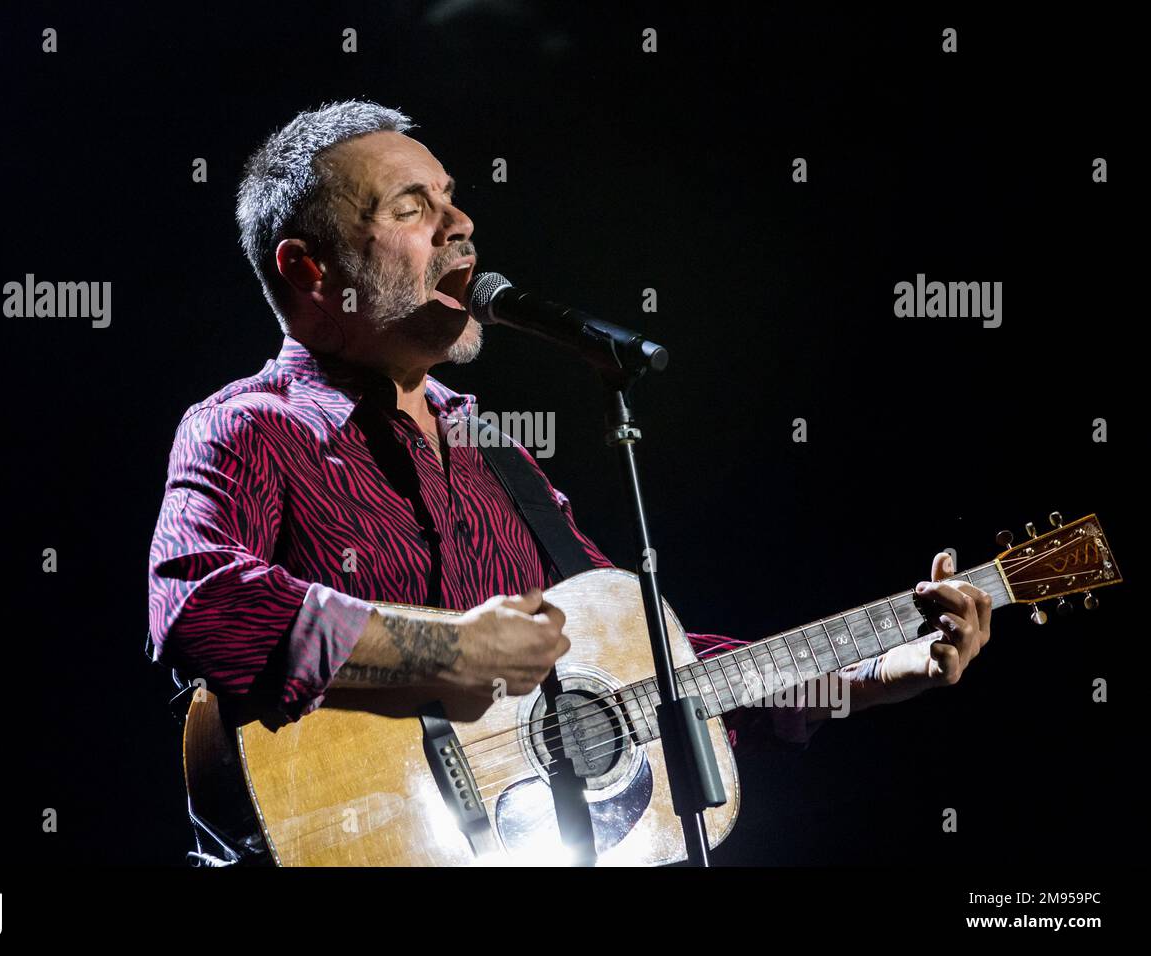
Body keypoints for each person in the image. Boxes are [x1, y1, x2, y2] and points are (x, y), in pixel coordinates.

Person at [146, 100, 993, 863]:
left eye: (451, 196)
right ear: (308, 270)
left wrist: (870, 675)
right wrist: (449, 650)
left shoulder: (497, 454)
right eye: (412, 208)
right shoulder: (247, 426)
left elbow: (649, 675)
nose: (461, 224)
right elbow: (197, 607)